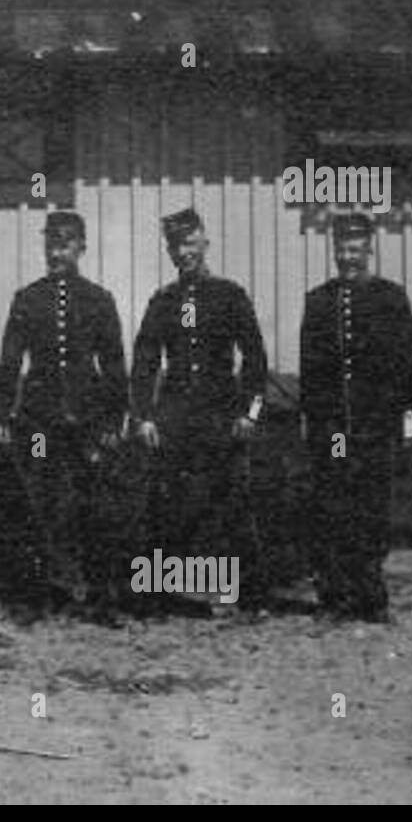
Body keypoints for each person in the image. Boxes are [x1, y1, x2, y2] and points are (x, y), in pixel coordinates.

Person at [0, 210, 129, 624]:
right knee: (40, 508)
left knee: (95, 509)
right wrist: (1, 413)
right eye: (51, 243)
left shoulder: (99, 300)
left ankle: (100, 599)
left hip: (87, 422)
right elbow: (10, 362)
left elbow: (115, 366)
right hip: (39, 422)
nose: (57, 252)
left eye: (66, 244)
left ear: (81, 247)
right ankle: (38, 598)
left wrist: (112, 420)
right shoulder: (28, 298)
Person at [131, 207, 270, 614]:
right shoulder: (163, 301)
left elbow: (256, 358)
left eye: (190, 243)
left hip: (222, 417)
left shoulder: (230, 295)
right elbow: (145, 363)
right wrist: (143, 416)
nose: (184, 253)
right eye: (176, 246)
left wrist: (250, 412)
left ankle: (246, 595)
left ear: (205, 243)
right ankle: (176, 595)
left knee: (231, 504)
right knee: (173, 506)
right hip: (175, 419)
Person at [300, 211, 412, 624]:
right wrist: (312, 423)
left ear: (369, 249)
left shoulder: (391, 298)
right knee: (333, 504)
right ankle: (333, 596)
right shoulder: (318, 301)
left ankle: (371, 596)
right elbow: (311, 369)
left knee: (371, 508)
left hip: (374, 425)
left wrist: (406, 419)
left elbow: (407, 363)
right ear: (333, 251)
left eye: (355, 249)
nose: (348, 257)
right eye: (341, 249)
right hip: (334, 428)